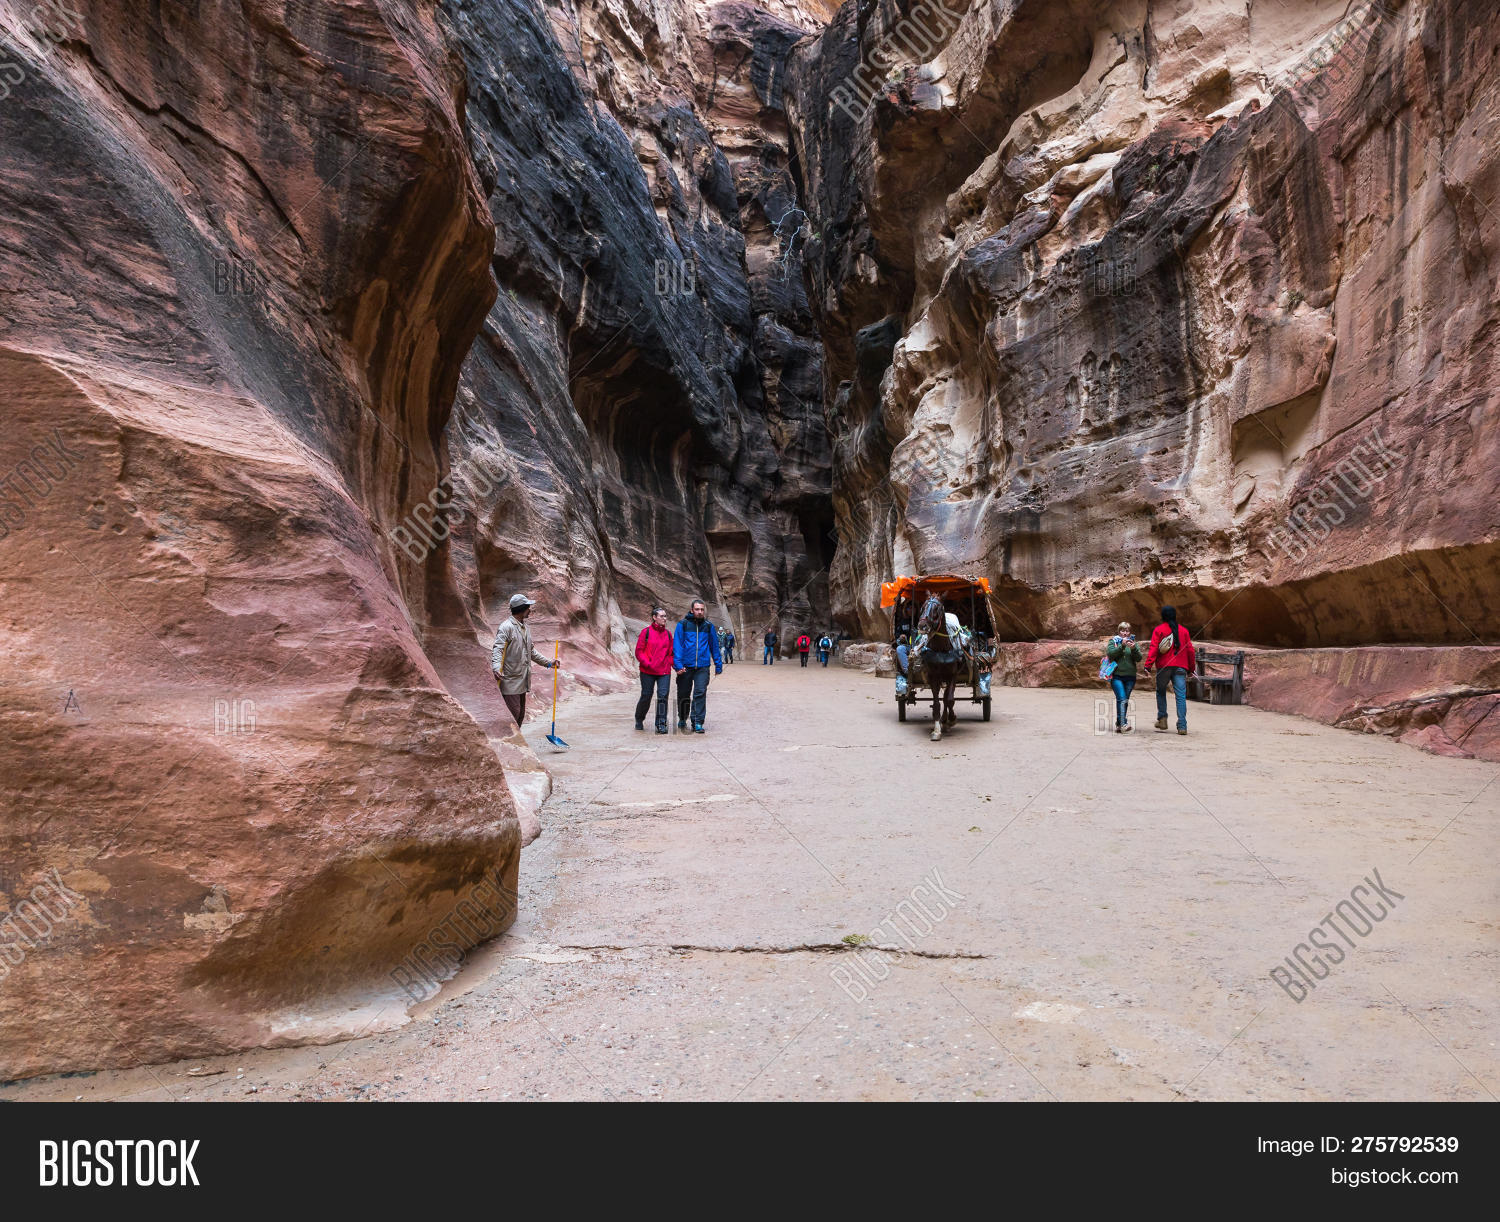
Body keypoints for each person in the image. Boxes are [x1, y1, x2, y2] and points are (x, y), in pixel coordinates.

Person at [490, 592, 559, 727]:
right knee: (514, 713)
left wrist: (549, 663)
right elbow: (498, 649)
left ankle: (516, 743)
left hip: (522, 679)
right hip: (510, 679)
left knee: (520, 714)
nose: (530, 610)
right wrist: (496, 667)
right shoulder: (506, 627)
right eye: (528, 607)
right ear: (522, 609)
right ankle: (511, 744)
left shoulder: (525, 628)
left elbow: (531, 652)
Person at [1143, 605, 1196, 734]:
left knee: (1161, 692)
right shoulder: (1184, 631)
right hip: (1181, 667)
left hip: (1164, 666)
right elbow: (1190, 650)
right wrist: (1191, 668)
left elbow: (1154, 648)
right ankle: (1182, 725)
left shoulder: (1159, 630)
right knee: (1181, 696)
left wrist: (1148, 665)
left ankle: (1162, 719)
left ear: (1163, 616)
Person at [673, 599, 722, 733]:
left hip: (702, 666)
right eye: (697, 609)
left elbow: (714, 646)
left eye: (702, 609)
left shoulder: (708, 626)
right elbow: (677, 646)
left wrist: (718, 664)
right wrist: (678, 665)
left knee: (700, 693)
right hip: (685, 666)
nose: (700, 612)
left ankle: (698, 722)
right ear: (691, 610)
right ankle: (682, 717)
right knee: (683, 694)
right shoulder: (682, 625)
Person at [634, 607, 674, 733]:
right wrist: (648, 663)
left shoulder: (668, 634)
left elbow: (671, 653)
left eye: (665, 616)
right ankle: (639, 718)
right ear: (654, 617)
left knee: (663, 696)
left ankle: (661, 723)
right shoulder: (645, 632)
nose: (664, 618)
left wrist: (670, 664)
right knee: (646, 695)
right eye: (662, 616)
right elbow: (639, 651)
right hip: (648, 671)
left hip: (663, 671)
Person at [1103, 620, 1140, 733]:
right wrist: (1122, 646)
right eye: (1123, 630)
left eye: (1127, 631)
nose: (1125, 633)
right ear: (1119, 631)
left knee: (1125, 700)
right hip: (1117, 676)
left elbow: (1138, 658)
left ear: (1129, 632)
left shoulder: (1133, 643)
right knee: (1122, 698)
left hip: (1130, 676)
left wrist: (1133, 649)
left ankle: (1119, 723)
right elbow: (1110, 654)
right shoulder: (1113, 641)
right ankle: (1123, 724)